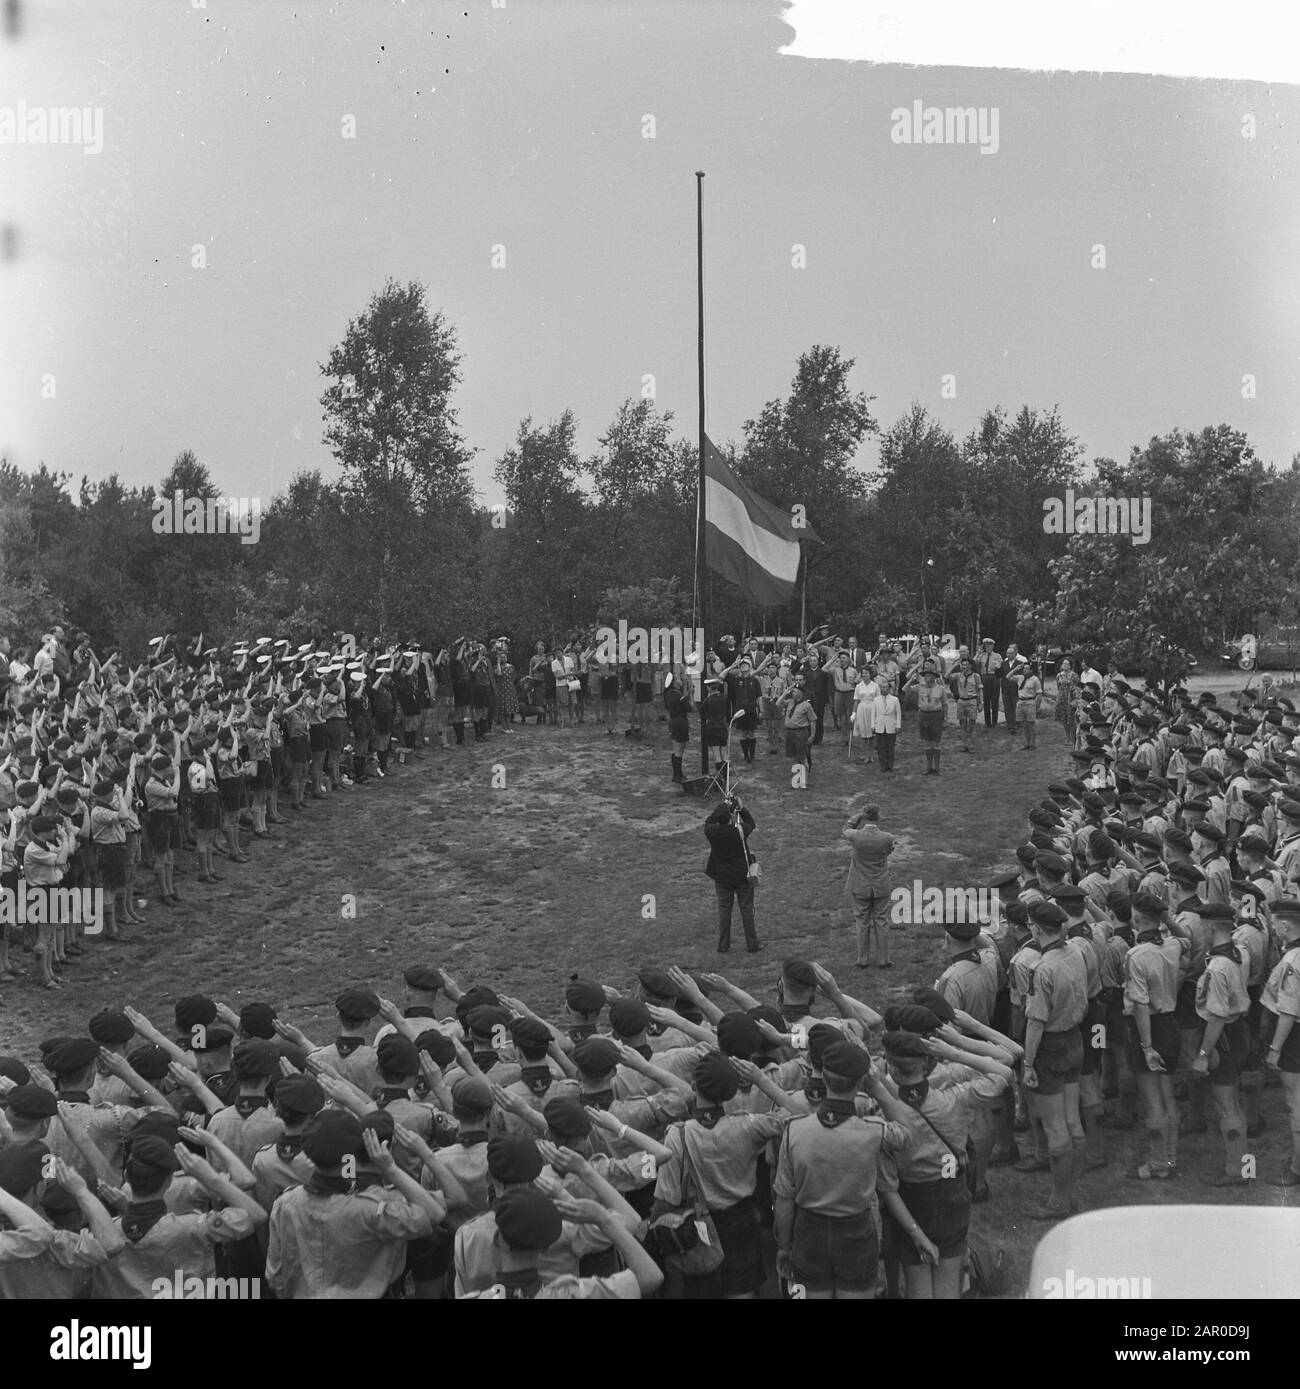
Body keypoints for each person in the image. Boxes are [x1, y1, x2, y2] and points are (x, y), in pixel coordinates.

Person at [773, 1039, 912, 1300]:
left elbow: (784, 1199)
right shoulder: (874, 1130)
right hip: (856, 1231)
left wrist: (784, 1245)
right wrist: (878, 1089)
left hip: (809, 1231)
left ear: (824, 1077)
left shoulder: (794, 1130)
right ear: (860, 1084)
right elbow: (906, 1133)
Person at [704, 796, 760, 954]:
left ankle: (723, 945)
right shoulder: (739, 831)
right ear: (730, 818)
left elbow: (708, 821)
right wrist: (741, 808)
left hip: (722, 877)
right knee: (747, 909)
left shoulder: (711, 832)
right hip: (742, 875)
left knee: (724, 910)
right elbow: (751, 823)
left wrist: (721, 807)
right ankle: (752, 943)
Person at [842, 805, 894, 969]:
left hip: (860, 885)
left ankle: (862, 960)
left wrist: (857, 817)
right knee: (882, 922)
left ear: (864, 817)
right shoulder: (886, 837)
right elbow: (889, 850)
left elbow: (846, 828)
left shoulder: (856, 836)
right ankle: (883, 960)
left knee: (862, 922)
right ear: (878, 817)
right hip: (880, 885)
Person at [905, 663, 949, 776]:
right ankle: (929, 766)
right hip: (924, 716)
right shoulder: (920, 688)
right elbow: (905, 689)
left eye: (928, 676)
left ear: (934, 677)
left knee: (936, 742)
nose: (925, 678)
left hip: (936, 716)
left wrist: (945, 719)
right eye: (924, 676)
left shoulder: (940, 689)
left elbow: (945, 705)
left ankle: (937, 767)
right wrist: (912, 680)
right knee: (927, 742)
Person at [664, 671, 692, 784]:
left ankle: (676, 774)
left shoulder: (668, 694)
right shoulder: (678, 695)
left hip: (673, 722)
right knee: (680, 749)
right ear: (674, 683)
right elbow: (689, 708)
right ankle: (678, 774)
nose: (680, 680)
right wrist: (690, 694)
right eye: (677, 679)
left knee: (675, 748)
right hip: (681, 722)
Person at [871, 678, 902, 773]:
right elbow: (873, 713)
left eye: (886, 687)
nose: (884, 689)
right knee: (881, 747)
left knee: (890, 747)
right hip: (880, 725)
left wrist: (898, 725)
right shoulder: (876, 700)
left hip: (891, 725)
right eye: (882, 687)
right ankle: (883, 765)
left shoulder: (894, 700)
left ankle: (890, 765)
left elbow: (898, 713)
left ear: (889, 689)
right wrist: (873, 725)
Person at [953, 656, 981, 752]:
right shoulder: (958, 675)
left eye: (965, 665)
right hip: (961, 701)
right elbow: (947, 675)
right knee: (963, 724)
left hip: (971, 701)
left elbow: (979, 690)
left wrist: (980, 703)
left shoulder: (976, 676)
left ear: (970, 666)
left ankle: (971, 745)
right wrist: (954, 666)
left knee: (971, 725)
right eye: (962, 665)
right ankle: (965, 744)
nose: (964, 667)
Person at [975, 638, 1002, 728]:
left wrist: (998, 666)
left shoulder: (997, 656)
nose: (988, 647)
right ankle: (987, 723)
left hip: (994, 677)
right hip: (984, 677)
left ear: (993, 646)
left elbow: (1000, 668)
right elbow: (974, 663)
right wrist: (978, 652)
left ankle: (994, 722)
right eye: (986, 645)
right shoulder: (982, 655)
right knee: (986, 700)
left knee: (994, 700)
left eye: (989, 645)